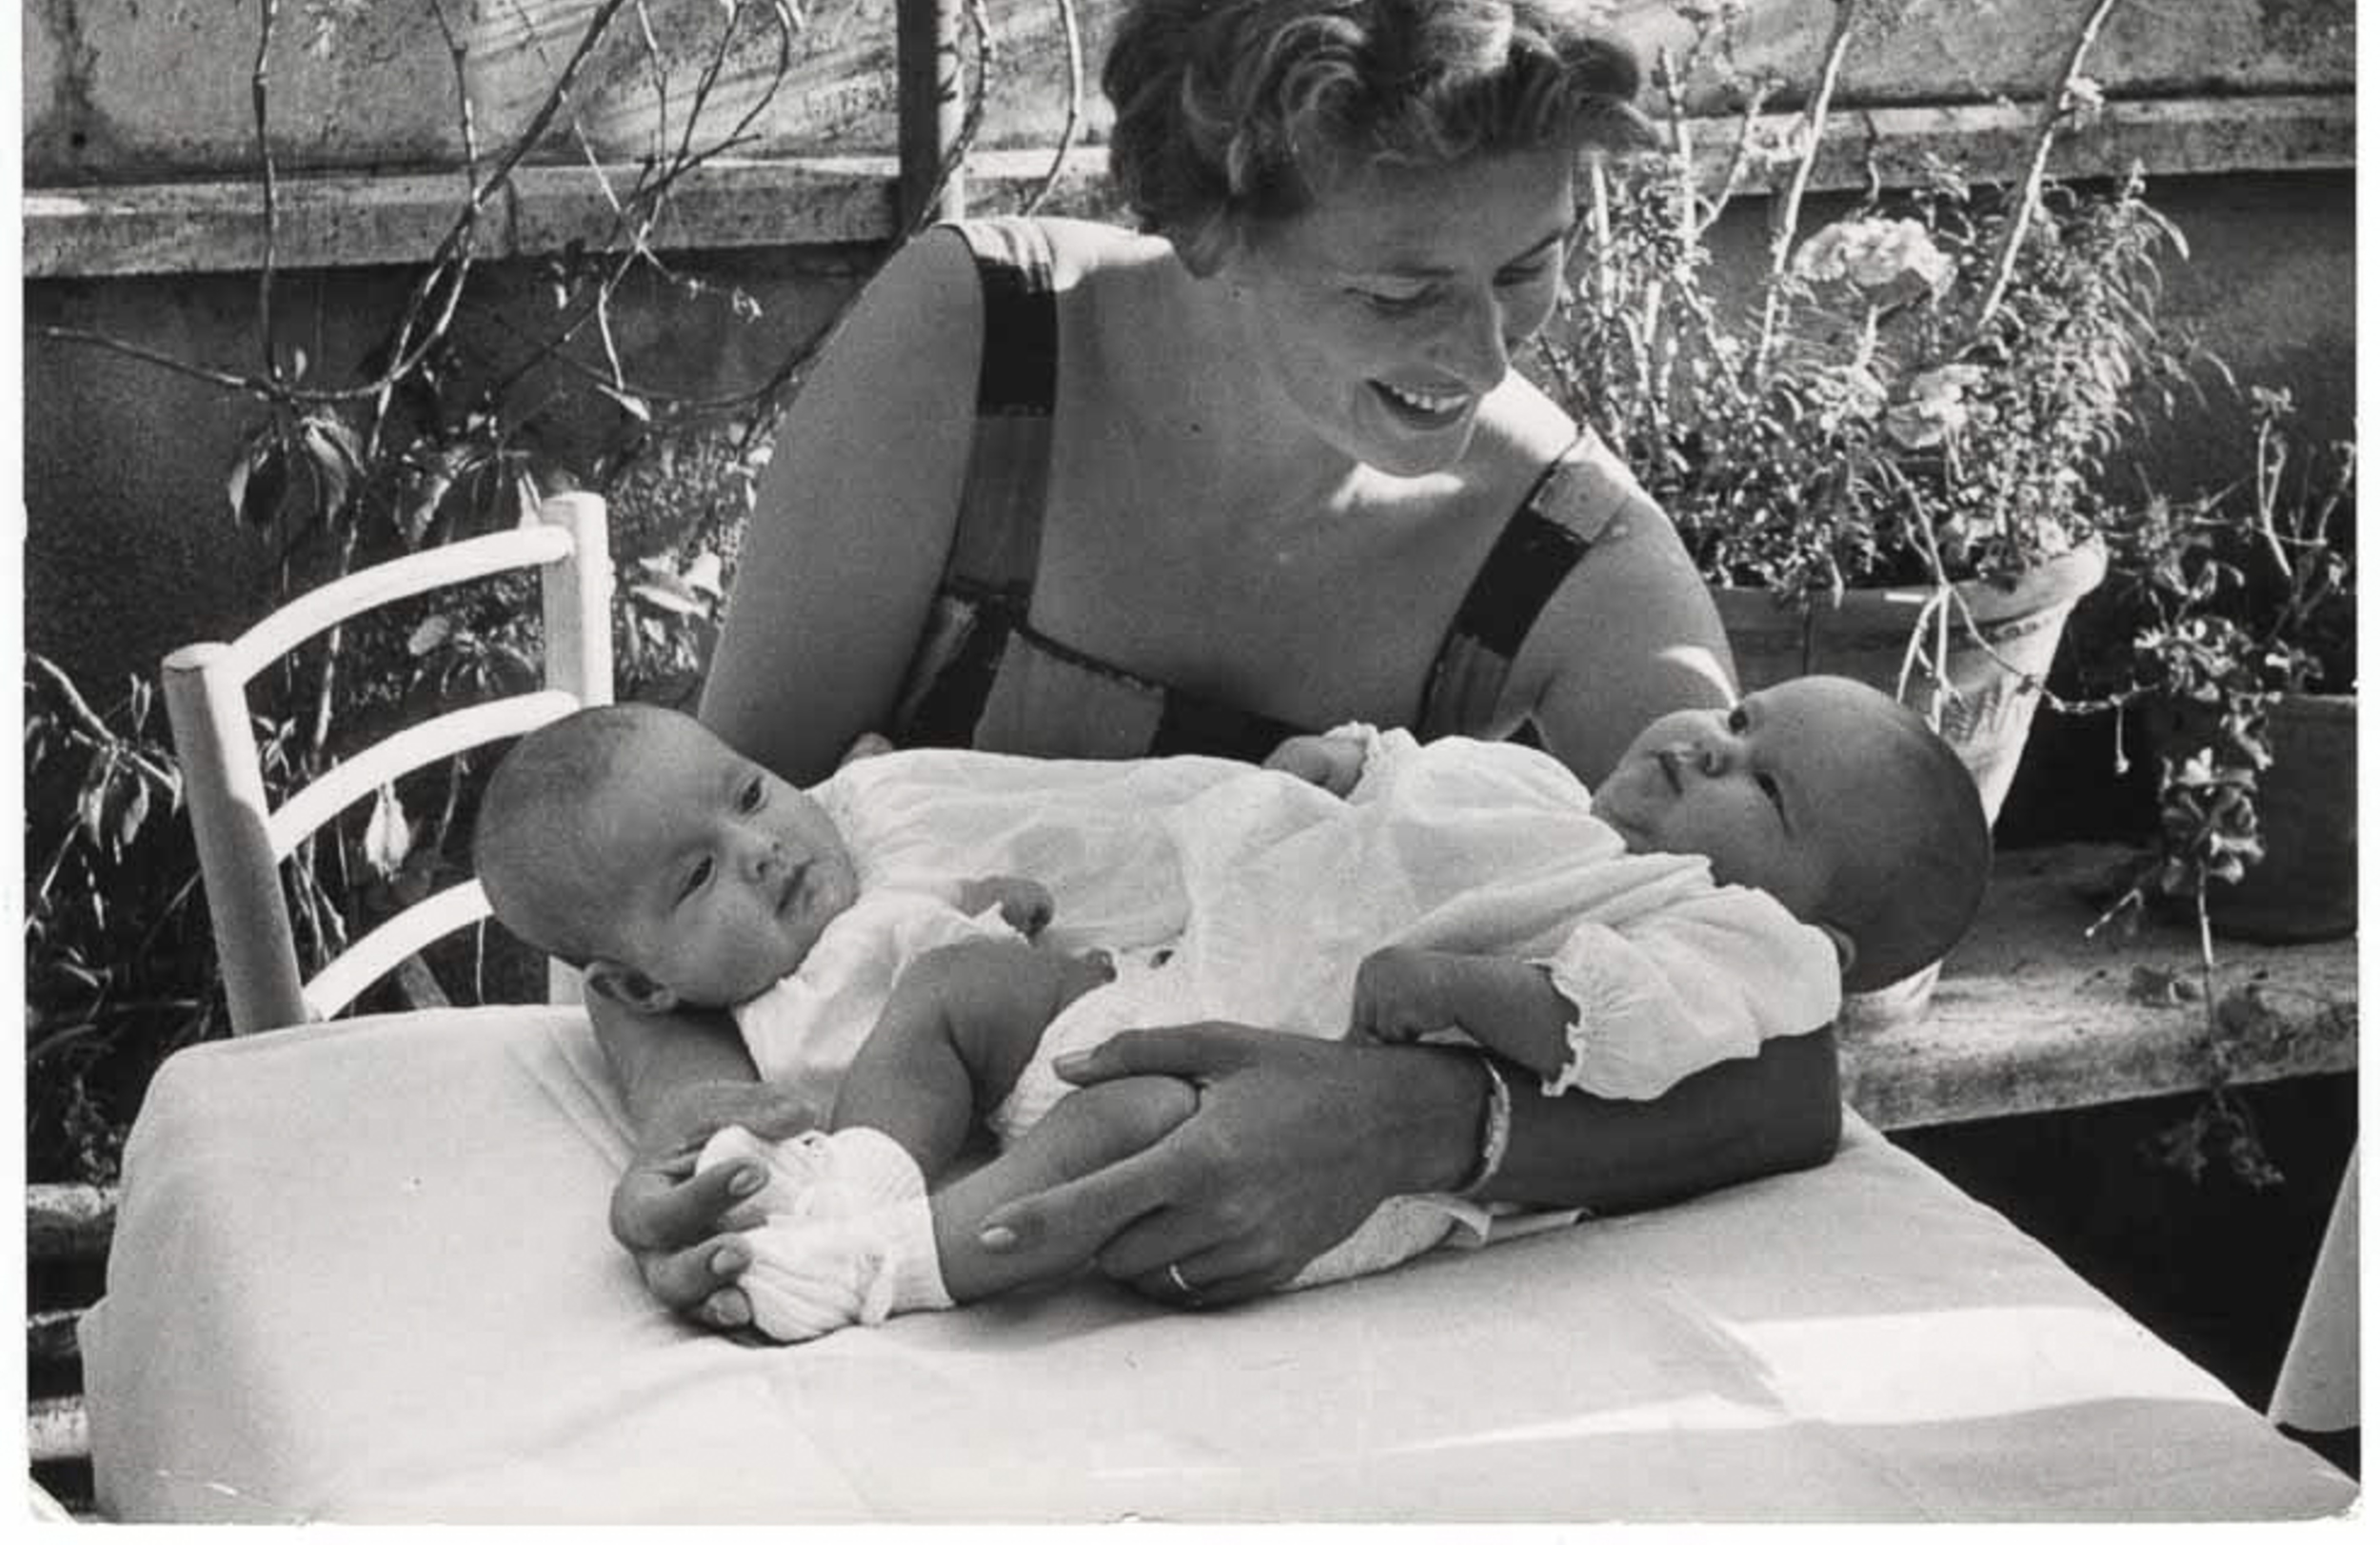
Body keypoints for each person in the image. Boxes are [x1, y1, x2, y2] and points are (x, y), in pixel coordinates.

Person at [603, 0, 1848, 1332]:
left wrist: (1412, 1118)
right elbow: (687, 857)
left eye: (1528, 263)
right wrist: (697, 1117)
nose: (1484, 355)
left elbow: (1796, 1070)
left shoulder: (1577, 572)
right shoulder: (967, 354)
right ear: (1205, 219)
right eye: (1401, 289)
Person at [514, 681, 1977, 1334]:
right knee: (961, 989)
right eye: (1734, 718)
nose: (1702, 745)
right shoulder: (1549, 789)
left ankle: (892, 1264)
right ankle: (864, 1173)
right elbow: (651, 874)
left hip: (1271, 1084)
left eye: (1758, 779)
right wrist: (688, 1098)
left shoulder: (1685, 906)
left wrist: (1447, 1069)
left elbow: (1767, 1064)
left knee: (1121, 1135)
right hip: (1153, 980)